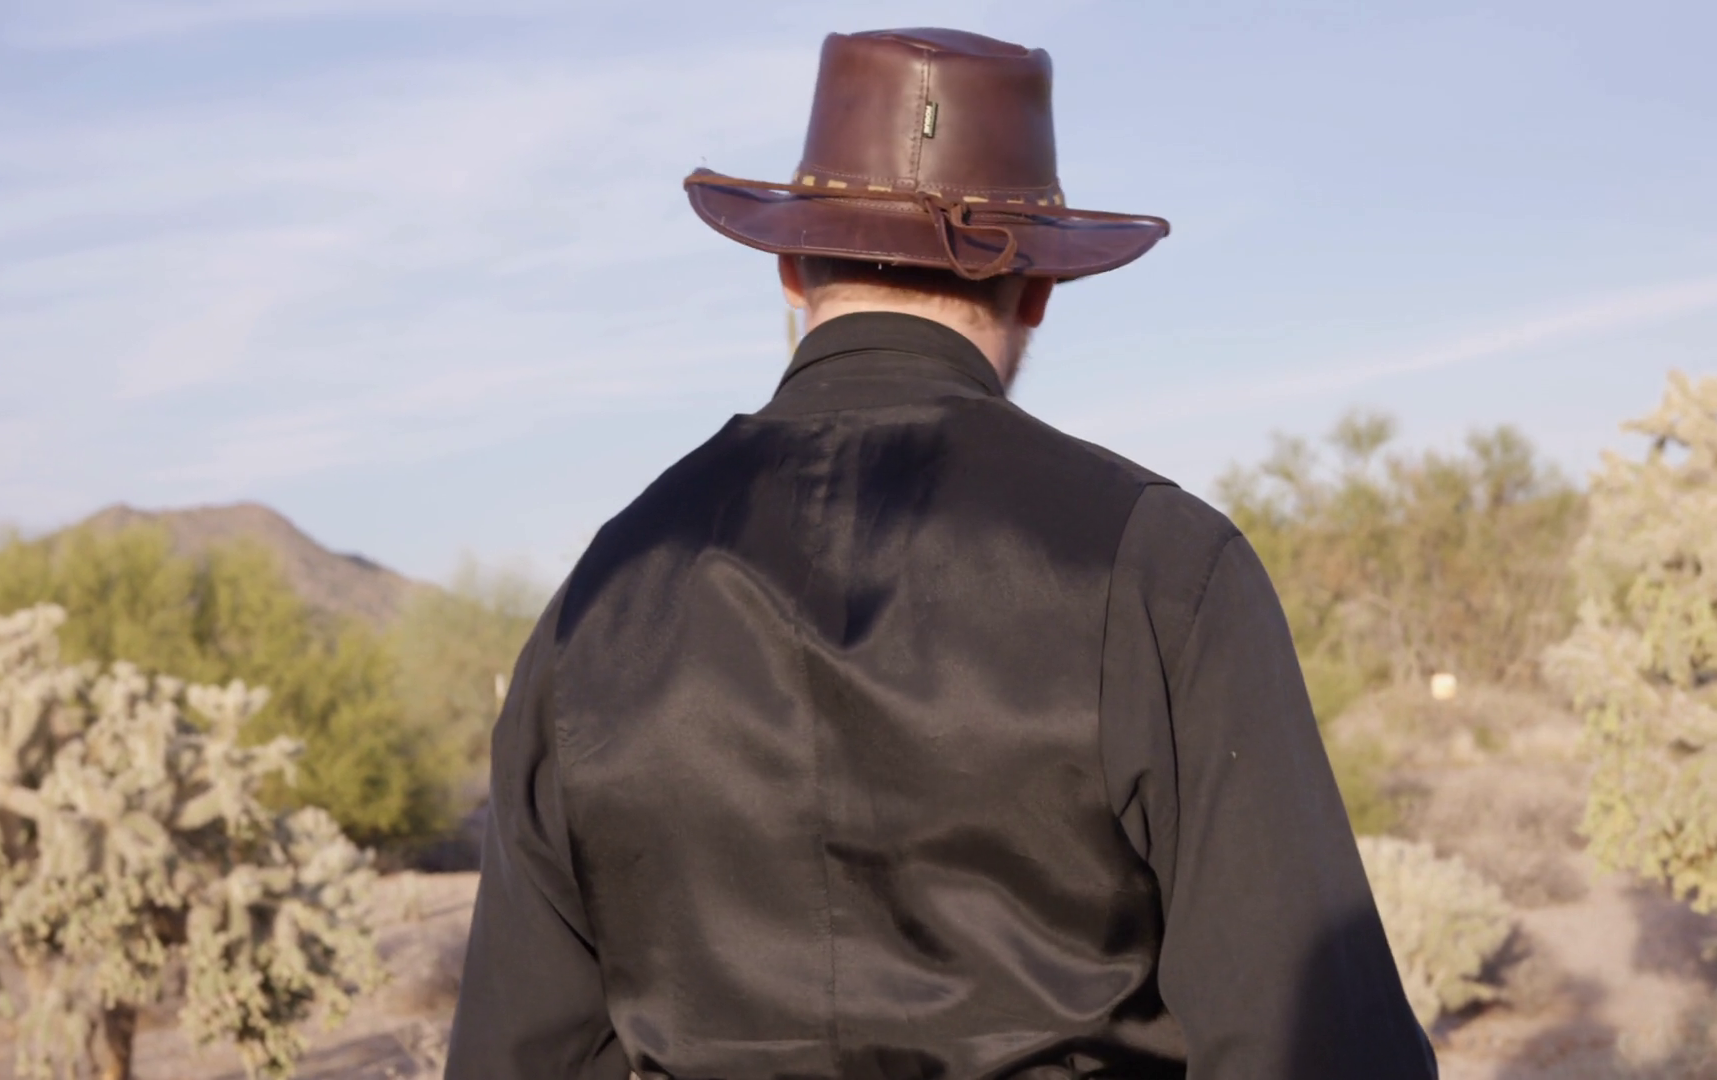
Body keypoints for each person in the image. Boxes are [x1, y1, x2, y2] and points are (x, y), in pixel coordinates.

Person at [446, 27, 1437, 1080]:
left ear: (789, 267)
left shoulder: (601, 596)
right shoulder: (1161, 569)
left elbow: (518, 1055)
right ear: (1043, 288)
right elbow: (1319, 1045)